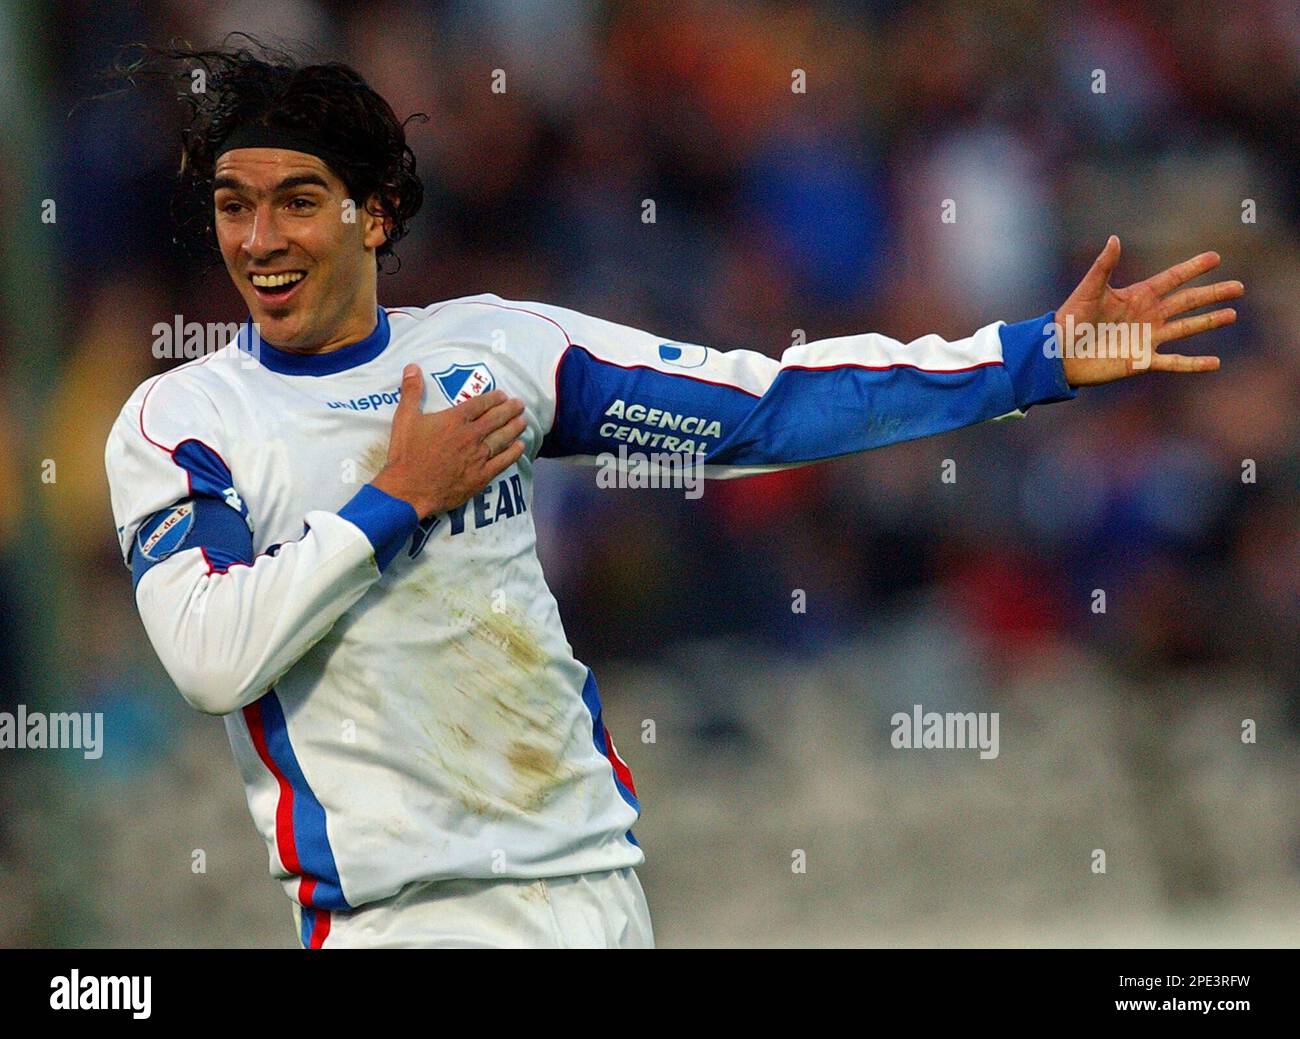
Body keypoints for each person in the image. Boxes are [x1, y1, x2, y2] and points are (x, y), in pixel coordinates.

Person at [103, 42, 1241, 948]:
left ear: (377, 215)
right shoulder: (182, 421)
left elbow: (764, 407)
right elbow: (212, 655)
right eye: (232, 204)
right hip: (405, 915)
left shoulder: (504, 349)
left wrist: (1033, 356)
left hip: (594, 887)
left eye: (297, 201)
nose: (259, 239)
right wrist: (395, 498)